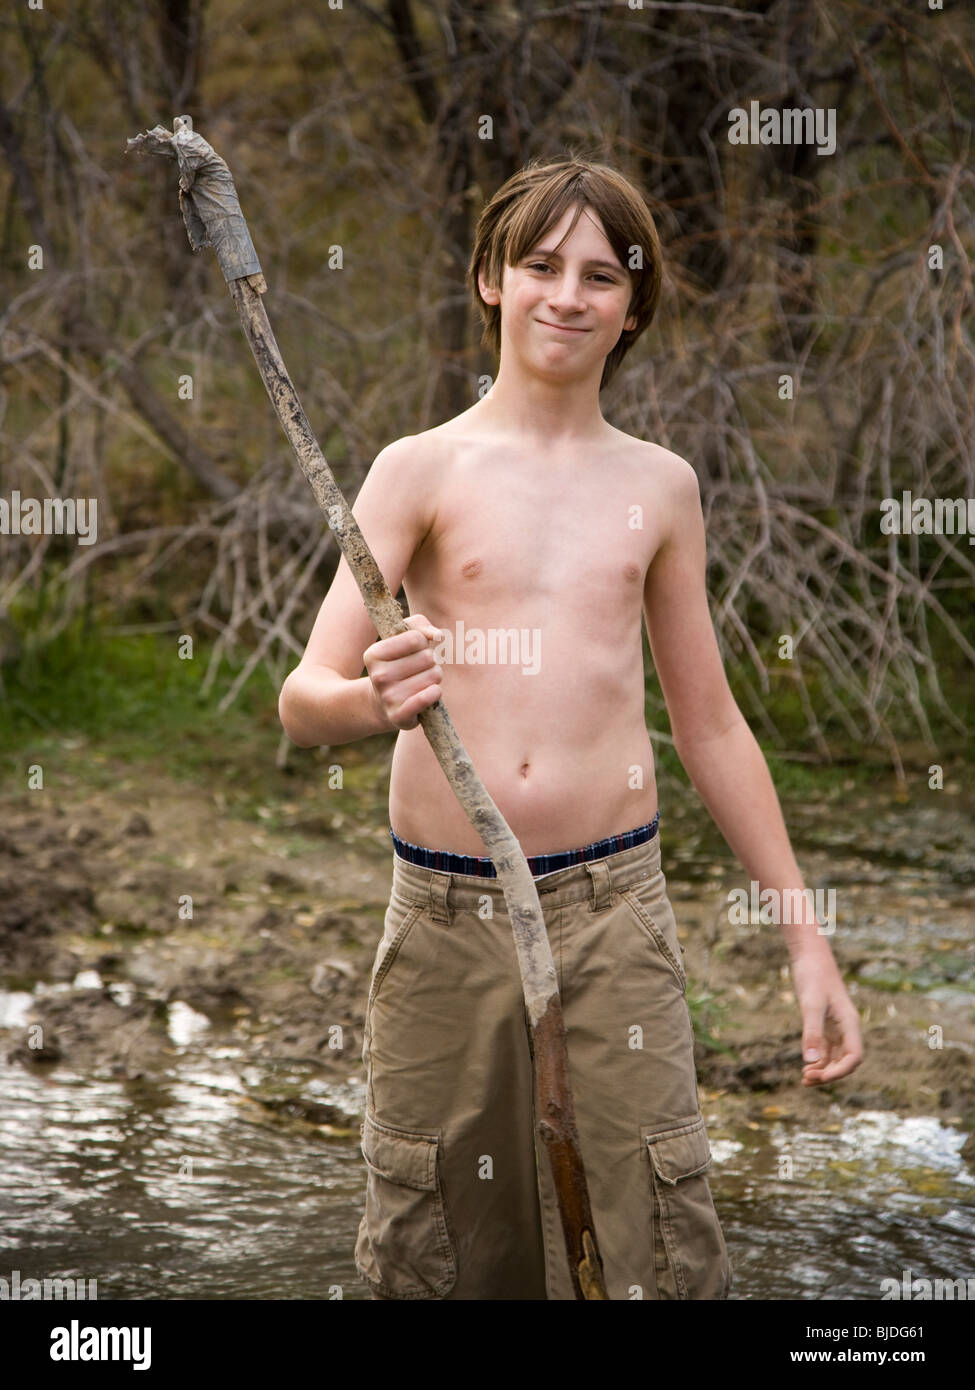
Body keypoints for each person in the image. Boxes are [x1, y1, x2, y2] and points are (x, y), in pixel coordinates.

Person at [277, 156, 864, 1301]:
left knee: (645, 1239)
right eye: (539, 265)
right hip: (446, 914)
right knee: (442, 1239)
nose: (567, 294)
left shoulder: (659, 485)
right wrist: (371, 700)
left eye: (603, 275)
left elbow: (712, 729)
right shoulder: (419, 469)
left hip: (612, 919)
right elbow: (304, 699)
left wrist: (805, 937)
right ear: (488, 278)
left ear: (634, 308)